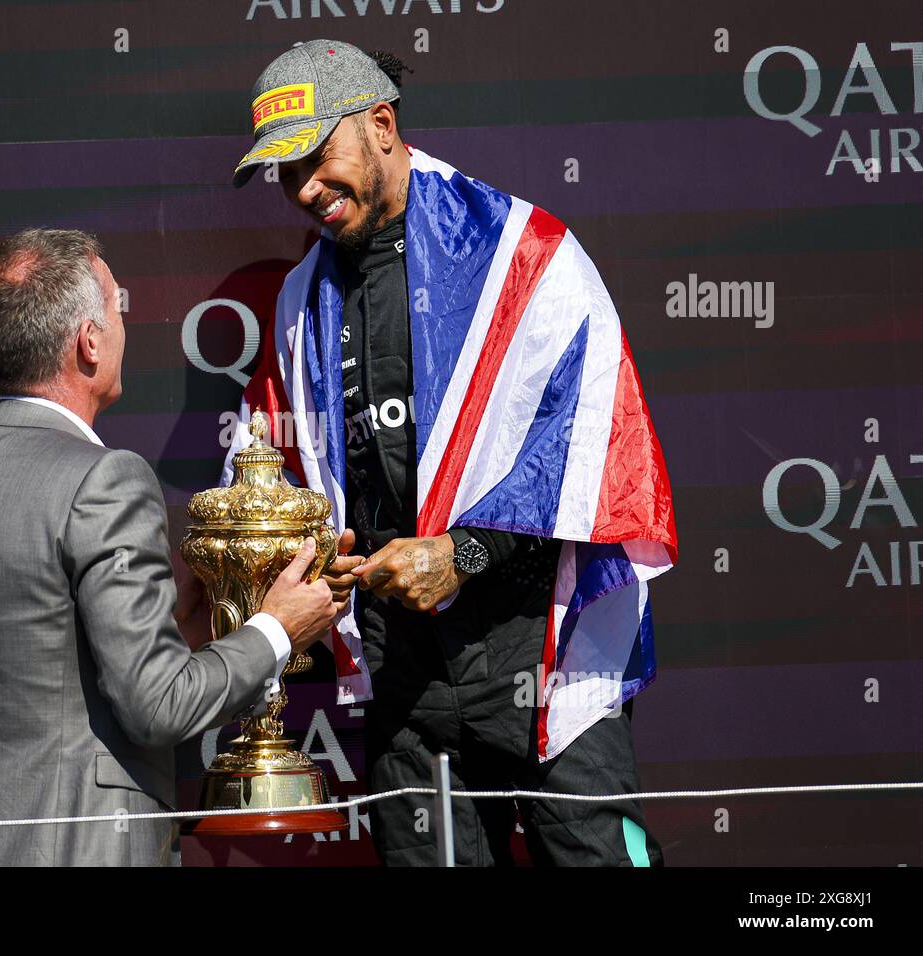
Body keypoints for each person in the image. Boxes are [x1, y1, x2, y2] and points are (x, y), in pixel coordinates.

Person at [224, 41, 678, 866]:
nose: (304, 191)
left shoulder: (525, 252)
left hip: (535, 648)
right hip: (405, 677)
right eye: (284, 174)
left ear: (382, 124)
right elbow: (273, 473)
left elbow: (595, 446)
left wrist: (465, 550)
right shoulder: (298, 303)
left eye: (315, 160)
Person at [0, 228, 336, 866]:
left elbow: (47, 657)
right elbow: (156, 706)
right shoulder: (105, 479)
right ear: (89, 341)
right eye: (118, 312)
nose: (125, 331)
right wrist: (276, 629)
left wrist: (182, 621)